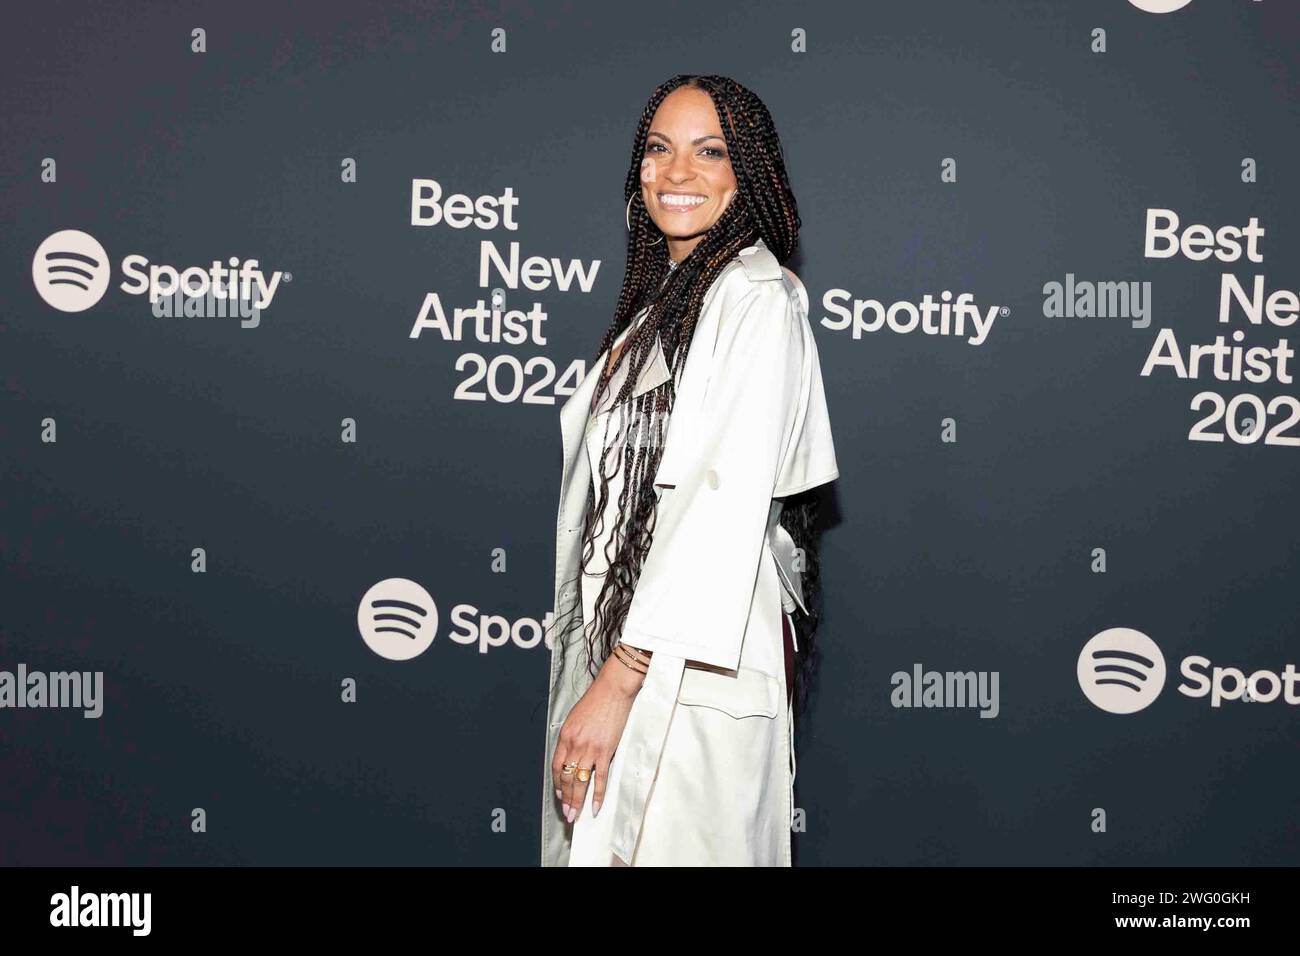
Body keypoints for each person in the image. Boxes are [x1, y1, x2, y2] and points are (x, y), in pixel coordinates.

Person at [540, 74, 840, 866]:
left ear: (748, 172)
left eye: (710, 151)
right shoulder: (663, 304)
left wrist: (618, 680)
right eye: (659, 149)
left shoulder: (757, 300)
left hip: (690, 673)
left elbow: (720, 502)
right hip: (632, 655)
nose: (678, 173)